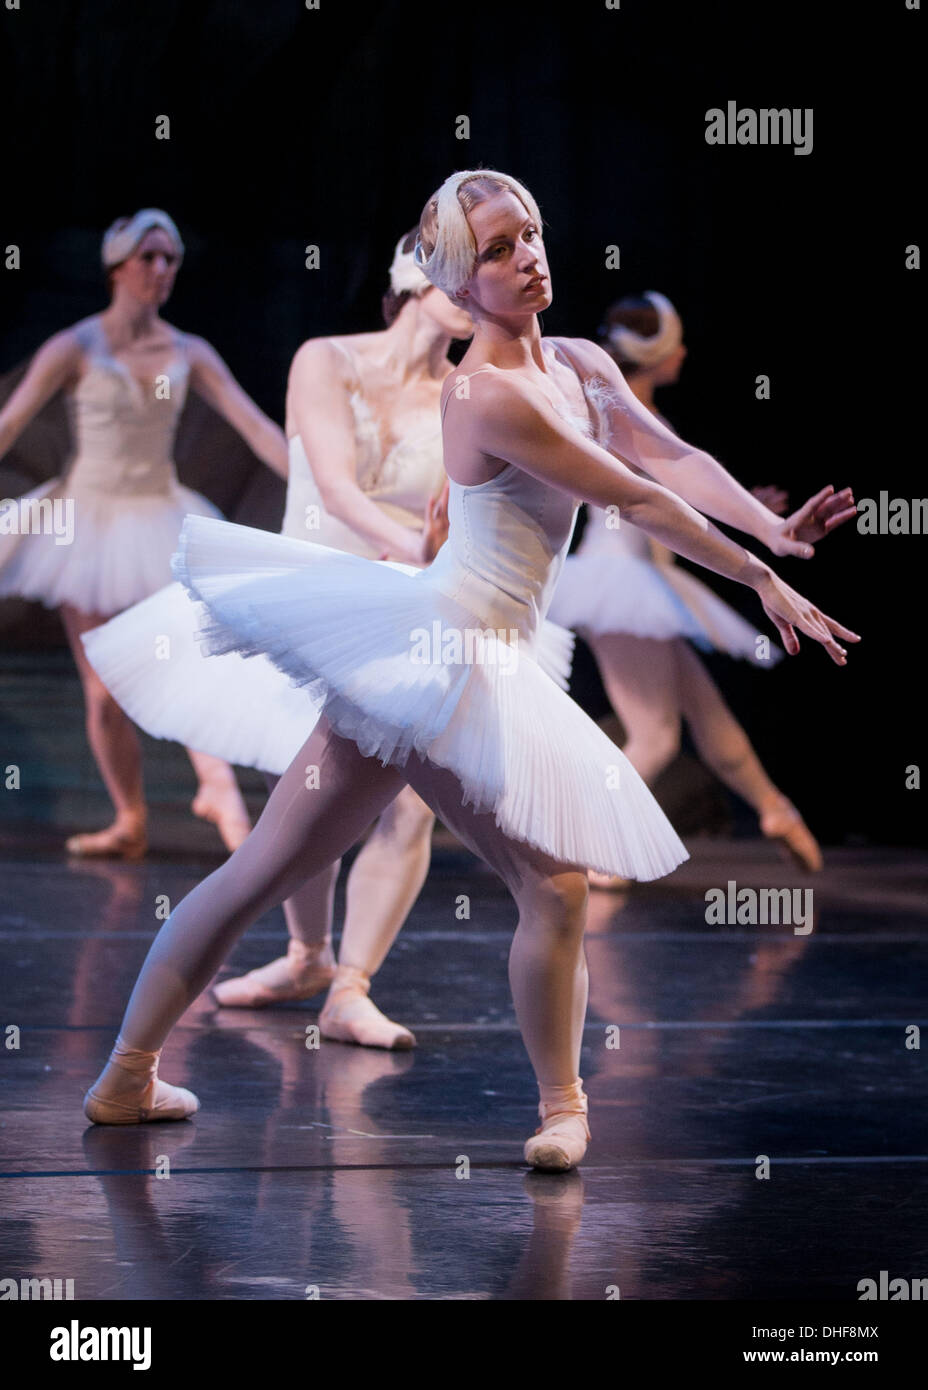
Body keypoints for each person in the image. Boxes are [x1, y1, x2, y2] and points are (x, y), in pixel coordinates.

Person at [82, 170, 859, 1172]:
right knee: (540, 883)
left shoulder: (577, 365)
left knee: (320, 869)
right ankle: (561, 1108)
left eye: (529, 234)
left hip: (471, 652)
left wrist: (773, 530)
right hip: (444, 652)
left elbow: (666, 456)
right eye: (496, 249)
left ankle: (129, 1074)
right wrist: (756, 575)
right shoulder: (484, 393)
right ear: (459, 276)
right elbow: (631, 494)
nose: (527, 255)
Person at [82, 230, 481, 1048]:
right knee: (309, 799)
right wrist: (415, 550)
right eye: (465, 274)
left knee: (408, 809)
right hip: (317, 597)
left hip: (407, 610)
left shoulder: (466, 395)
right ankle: (307, 955)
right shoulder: (325, 359)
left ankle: (351, 987)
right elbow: (333, 484)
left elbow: (461, 511)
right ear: (418, 277)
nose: (478, 294)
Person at [0, 209, 289, 857]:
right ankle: (130, 820)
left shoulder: (189, 352)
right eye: (149, 258)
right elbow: (12, 422)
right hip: (86, 525)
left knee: (187, 658)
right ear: (117, 266)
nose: (161, 270)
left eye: (171, 260)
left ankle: (217, 788)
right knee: (103, 692)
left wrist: (321, 483)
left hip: (159, 519)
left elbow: (256, 428)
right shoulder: (76, 346)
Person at [550, 291, 856, 886]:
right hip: (618, 583)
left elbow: (677, 495)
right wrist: (753, 523)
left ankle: (773, 809)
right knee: (655, 734)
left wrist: (752, 515)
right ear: (658, 353)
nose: (686, 351)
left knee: (706, 712)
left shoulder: (635, 413)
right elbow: (657, 499)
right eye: (676, 342)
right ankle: (586, 850)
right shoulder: (621, 413)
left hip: (639, 582)